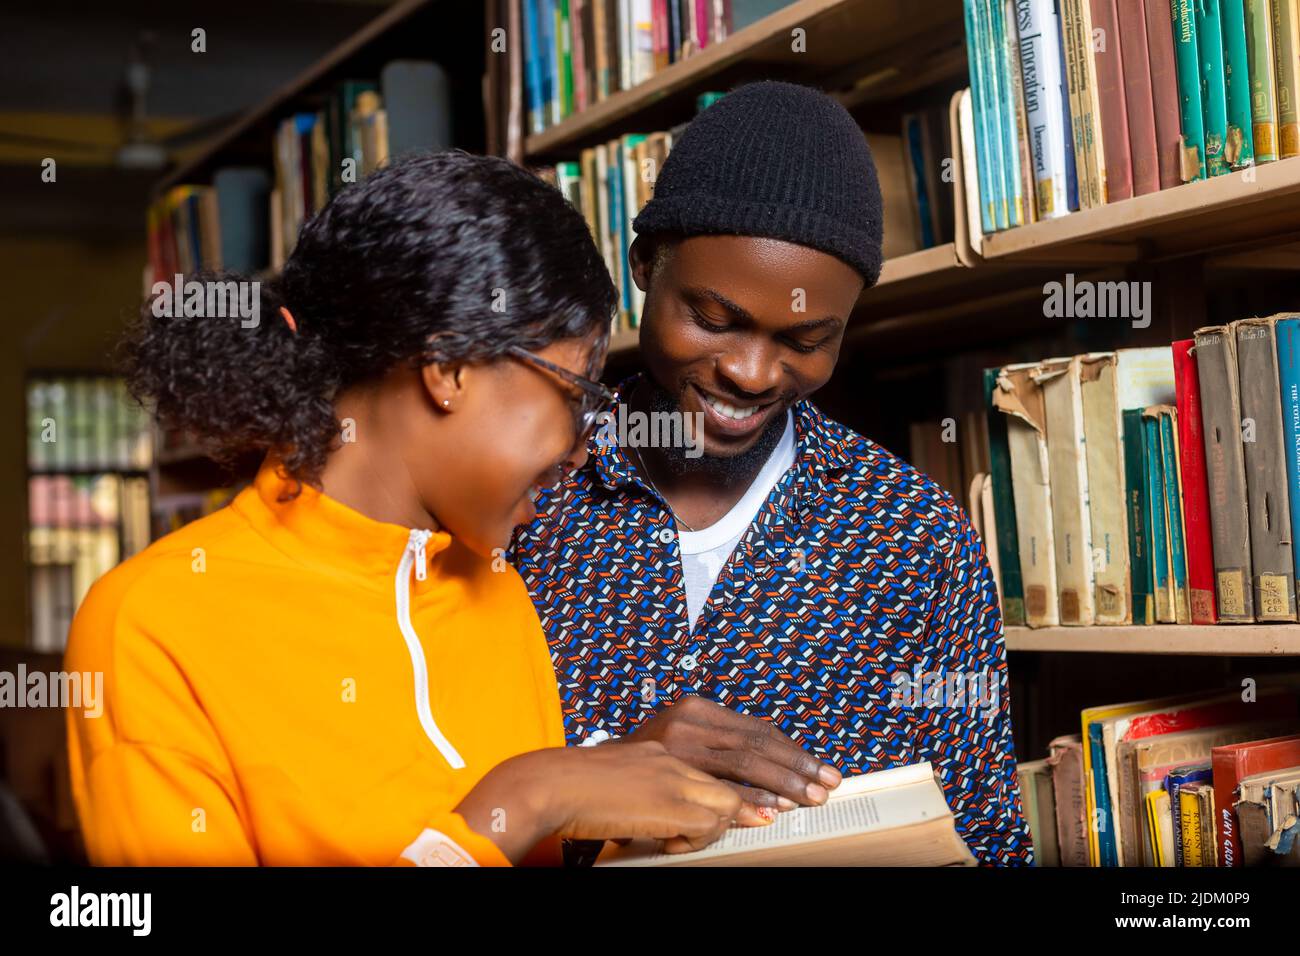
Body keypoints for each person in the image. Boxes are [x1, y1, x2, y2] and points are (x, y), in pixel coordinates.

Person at [64, 151, 757, 866]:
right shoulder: (151, 625)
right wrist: (523, 800)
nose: (583, 448)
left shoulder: (496, 587)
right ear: (450, 367)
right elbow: (502, 820)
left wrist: (619, 793)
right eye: (578, 393)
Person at [510, 81, 1034, 865]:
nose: (752, 373)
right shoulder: (518, 490)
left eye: (807, 338)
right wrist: (600, 771)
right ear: (645, 265)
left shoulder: (918, 540)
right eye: (714, 321)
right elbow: (424, 807)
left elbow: (986, 834)